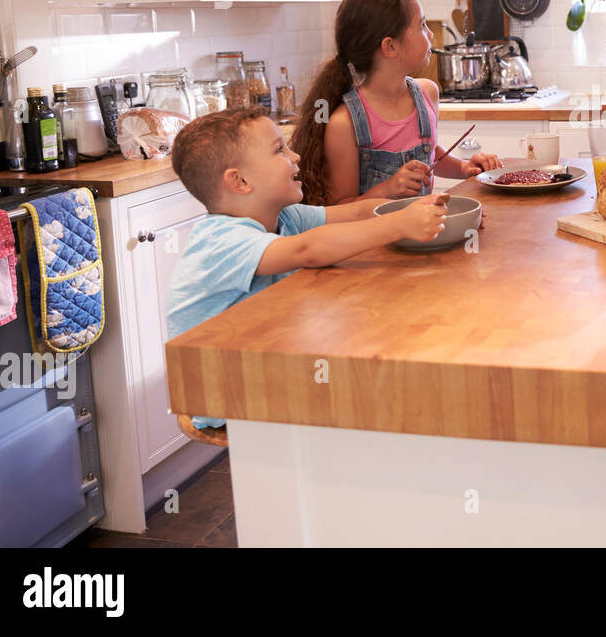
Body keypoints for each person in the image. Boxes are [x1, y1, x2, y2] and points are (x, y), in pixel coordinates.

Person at [166, 106, 449, 428]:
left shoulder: (285, 216)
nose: (295, 155)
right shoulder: (220, 240)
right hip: (226, 395)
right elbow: (308, 250)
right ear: (240, 180)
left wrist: (422, 208)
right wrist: (399, 226)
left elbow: (357, 214)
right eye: (279, 150)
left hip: (266, 368)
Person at [291, 0, 500, 205]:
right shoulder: (344, 123)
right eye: (421, 25)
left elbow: (430, 153)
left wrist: (464, 167)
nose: (430, 33)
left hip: (422, 235)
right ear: (390, 47)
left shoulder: (427, 93)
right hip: (375, 239)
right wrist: (388, 189)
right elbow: (340, 208)